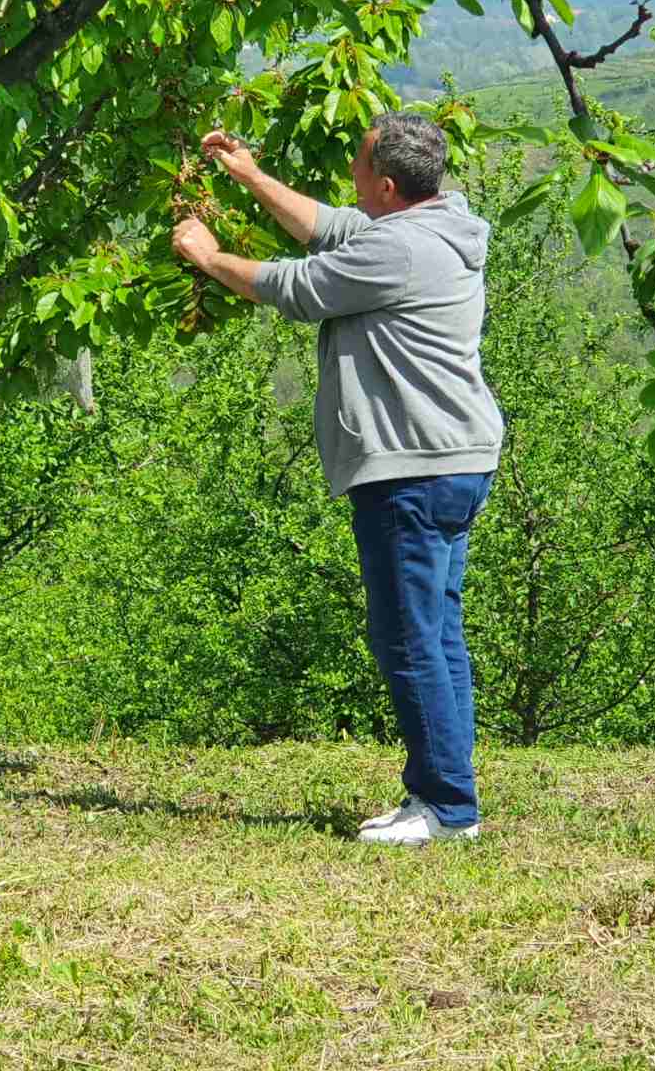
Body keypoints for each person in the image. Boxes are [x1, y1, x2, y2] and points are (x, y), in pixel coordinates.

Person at [171, 112, 504, 846]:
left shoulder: (397, 250)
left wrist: (208, 256)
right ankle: (449, 794)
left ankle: (446, 807)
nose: (351, 174)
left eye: (359, 165)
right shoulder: (436, 226)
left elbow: (295, 287)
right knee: (436, 633)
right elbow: (329, 228)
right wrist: (250, 176)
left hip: (411, 465)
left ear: (385, 185)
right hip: (455, 457)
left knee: (407, 638)